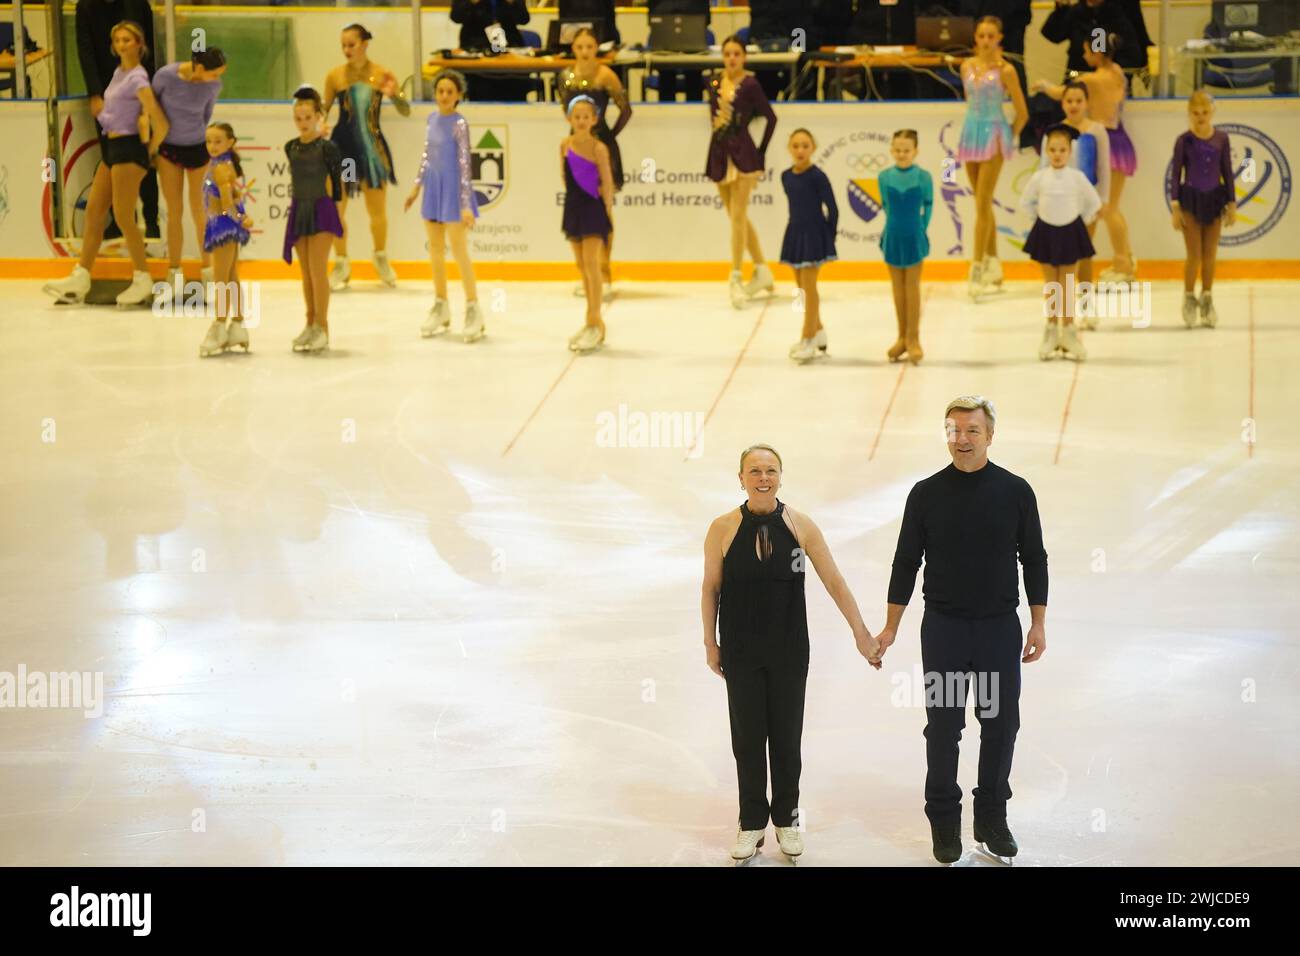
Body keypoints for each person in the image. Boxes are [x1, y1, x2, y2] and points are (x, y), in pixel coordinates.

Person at [876, 396, 1047, 866]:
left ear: (990, 435)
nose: (963, 439)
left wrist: (1038, 622)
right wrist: (891, 627)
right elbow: (906, 562)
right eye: (954, 430)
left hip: (997, 632)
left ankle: (992, 818)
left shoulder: (1015, 491)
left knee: (1000, 726)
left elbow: (1034, 557)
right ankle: (945, 821)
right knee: (944, 728)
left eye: (972, 430)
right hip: (946, 632)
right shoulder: (926, 493)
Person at [702, 444, 879, 864]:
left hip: (788, 649)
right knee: (747, 739)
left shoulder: (800, 526)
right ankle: (750, 823)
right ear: (740, 477)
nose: (763, 478)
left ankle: (786, 818)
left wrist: (861, 632)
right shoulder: (723, 528)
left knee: (785, 737)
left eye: (771, 471)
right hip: (742, 650)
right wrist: (711, 643)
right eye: (755, 471)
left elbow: (833, 580)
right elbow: (710, 588)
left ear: (781, 476)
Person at [44, 20, 168, 308]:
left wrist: (149, 150)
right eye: (118, 40)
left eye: (127, 39)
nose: (122, 44)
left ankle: (142, 277)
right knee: (95, 212)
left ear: (139, 44)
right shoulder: (118, 73)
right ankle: (82, 274)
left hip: (128, 149)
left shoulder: (138, 78)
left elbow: (160, 122)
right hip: (111, 148)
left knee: (124, 216)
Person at [1032, 32, 1136, 282]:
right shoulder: (1118, 72)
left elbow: (1063, 93)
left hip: (1102, 142)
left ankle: (1123, 264)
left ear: (1098, 52)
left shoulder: (1090, 79)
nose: (1083, 55)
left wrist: (1043, 85)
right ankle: (1123, 260)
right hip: (1119, 139)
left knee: (1107, 208)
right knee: (1109, 207)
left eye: (1087, 50)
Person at [323, 23, 410, 291]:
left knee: (377, 211)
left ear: (364, 44)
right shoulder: (335, 76)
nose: (346, 50)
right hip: (344, 153)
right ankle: (341, 262)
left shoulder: (382, 74)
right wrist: (317, 126)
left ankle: (381, 256)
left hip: (372, 152)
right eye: (343, 45)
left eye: (351, 44)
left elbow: (405, 110)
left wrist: (396, 95)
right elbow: (323, 111)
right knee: (338, 208)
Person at [405, 69, 483, 343]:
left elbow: (464, 165)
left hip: (454, 191)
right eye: (440, 91)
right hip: (433, 190)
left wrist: (464, 204)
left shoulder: (459, 124)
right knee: (436, 251)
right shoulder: (431, 119)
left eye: (450, 91)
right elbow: (427, 155)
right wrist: (416, 186)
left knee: (459, 251)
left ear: (459, 96)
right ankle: (441, 305)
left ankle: (473, 308)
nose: (445, 96)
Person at [955, 16, 1028, 300]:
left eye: (991, 36)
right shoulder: (966, 67)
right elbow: (970, 101)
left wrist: (1008, 134)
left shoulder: (1007, 71)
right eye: (981, 36)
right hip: (972, 131)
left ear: (999, 38)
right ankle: (994, 263)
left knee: (983, 205)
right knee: (981, 203)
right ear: (975, 38)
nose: (986, 41)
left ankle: (977, 267)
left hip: (994, 134)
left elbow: (1022, 112)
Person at [75, 0, 160, 243]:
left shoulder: (137, 4)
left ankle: (151, 219)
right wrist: (94, 92)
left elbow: (152, 43)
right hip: (106, 91)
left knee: (142, 158)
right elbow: (85, 49)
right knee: (111, 157)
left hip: (137, 90)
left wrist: (149, 90)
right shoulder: (86, 7)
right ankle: (120, 219)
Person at [558, 26, 631, 301]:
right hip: (576, 148)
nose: (585, 52)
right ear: (573, 49)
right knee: (578, 207)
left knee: (603, 212)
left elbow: (626, 109)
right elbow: (566, 110)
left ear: (596, 48)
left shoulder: (605, 75)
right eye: (580, 47)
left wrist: (608, 136)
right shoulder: (565, 77)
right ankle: (586, 274)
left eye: (589, 46)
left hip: (601, 147)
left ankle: (605, 272)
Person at [707, 36, 778, 309]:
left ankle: (735, 275)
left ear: (744, 57)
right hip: (720, 152)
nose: (732, 58)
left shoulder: (750, 84)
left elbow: (770, 118)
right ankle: (762, 269)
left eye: (736, 53)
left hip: (744, 154)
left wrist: (760, 152)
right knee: (736, 217)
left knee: (738, 217)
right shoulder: (713, 82)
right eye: (727, 54)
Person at [1023, 125, 1102, 361]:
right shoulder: (1040, 177)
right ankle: (1050, 329)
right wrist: (1038, 219)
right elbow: (1025, 201)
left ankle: (1068, 331)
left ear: (1070, 152)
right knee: (1051, 285)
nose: (1057, 154)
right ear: (1046, 151)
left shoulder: (1077, 177)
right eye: (1053, 149)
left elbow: (1094, 202)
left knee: (1067, 284)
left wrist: (1083, 218)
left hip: (1070, 232)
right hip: (1046, 232)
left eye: (1062, 150)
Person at [152, 47, 226, 290]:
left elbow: (206, 116)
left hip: (197, 148)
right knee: (174, 211)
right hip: (168, 149)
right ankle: (174, 269)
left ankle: (207, 268)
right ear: (200, 68)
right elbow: (153, 109)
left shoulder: (213, 86)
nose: (217, 79)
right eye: (214, 73)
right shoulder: (165, 76)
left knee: (200, 210)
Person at [1037, 80, 1109, 318]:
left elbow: (1103, 168)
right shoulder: (1055, 133)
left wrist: (1103, 199)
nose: (1074, 105)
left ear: (1087, 102)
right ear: (1062, 103)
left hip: (1087, 202)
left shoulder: (1097, 130)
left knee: (1085, 253)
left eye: (1079, 100)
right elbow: (1042, 169)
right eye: (1069, 100)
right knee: (1062, 257)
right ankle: (1058, 310)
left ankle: (1087, 304)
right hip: (1059, 204)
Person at [283, 86, 344, 354]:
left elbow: (340, 183)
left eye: (308, 118)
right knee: (305, 272)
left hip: (322, 209)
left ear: (318, 116)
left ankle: (323, 326)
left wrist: (338, 213)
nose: (303, 123)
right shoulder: (291, 147)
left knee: (318, 271)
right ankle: (310, 324)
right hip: (300, 209)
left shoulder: (328, 148)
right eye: (298, 118)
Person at [1169, 90, 1236, 330]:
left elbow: (1227, 171)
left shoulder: (1221, 139)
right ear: (1189, 114)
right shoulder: (1183, 141)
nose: (1200, 117)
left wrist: (1232, 203)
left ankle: (1207, 297)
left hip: (1214, 200)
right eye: (1196, 113)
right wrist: (1175, 207)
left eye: (1205, 112)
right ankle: (1189, 297)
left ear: (1212, 112)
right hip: (1190, 201)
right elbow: (1176, 175)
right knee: (1194, 255)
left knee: (1210, 254)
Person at [561, 95, 615, 354]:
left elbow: (606, 181)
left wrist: (605, 210)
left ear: (594, 120)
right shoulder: (564, 145)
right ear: (569, 119)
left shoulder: (598, 148)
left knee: (592, 264)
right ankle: (594, 323)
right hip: (573, 207)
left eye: (586, 117)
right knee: (581, 264)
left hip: (593, 208)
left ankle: (593, 320)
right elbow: (564, 176)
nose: (581, 121)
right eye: (577, 117)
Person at [780, 129, 838, 364]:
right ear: (789, 148)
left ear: (813, 147)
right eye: (795, 146)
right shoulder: (786, 176)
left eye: (805, 145)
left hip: (815, 235)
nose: (800, 150)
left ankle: (807, 337)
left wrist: (828, 238)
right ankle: (819, 330)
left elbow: (833, 209)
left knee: (808, 286)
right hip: (795, 232)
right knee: (800, 289)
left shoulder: (818, 176)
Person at [197, 123, 253, 358]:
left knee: (222, 279)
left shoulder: (221, 168)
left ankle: (220, 325)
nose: (212, 146)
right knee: (230, 276)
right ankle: (237, 325)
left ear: (230, 142)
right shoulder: (223, 165)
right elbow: (232, 195)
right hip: (223, 224)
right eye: (209, 141)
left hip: (222, 226)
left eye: (218, 141)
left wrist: (240, 218)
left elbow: (229, 205)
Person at [878, 129, 934, 364]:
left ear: (915, 151)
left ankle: (914, 338)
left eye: (906, 150)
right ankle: (901, 337)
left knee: (912, 288)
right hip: (893, 234)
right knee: (897, 289)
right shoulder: (884, 176)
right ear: (892, 150)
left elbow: (928, 207)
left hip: (913, 235)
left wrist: (920, 228)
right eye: (897, 150)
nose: (902, 154)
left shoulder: (924, 177)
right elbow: (885, 205)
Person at [449, 0, 533, 102]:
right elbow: (456, 16)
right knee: (480, 89)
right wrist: (471, 2)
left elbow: (524, 19)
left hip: (509, 52)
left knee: (514, 89)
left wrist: (513, 3)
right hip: (475, 49)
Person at [1040, 0, 1143, 76]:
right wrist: (1060, 9)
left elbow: (1132, 56)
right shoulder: (1075, 12)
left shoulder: (1118, 14)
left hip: (1109, 82)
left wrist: (1107, 72)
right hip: (1077, 80)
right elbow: (1052, 35)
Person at [646, 0, 709, 102]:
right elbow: (652, 15)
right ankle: (665, 113)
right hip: (665, 44)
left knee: (693, 75)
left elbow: (706, 18)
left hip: (693, 44)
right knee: (666, 74)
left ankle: (694, 112)